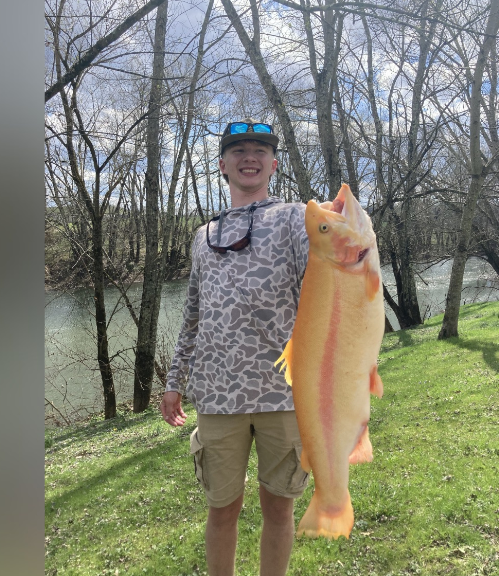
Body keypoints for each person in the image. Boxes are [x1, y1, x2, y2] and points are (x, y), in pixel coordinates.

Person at [161, 120, 309, 576]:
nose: (249, 157)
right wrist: (174, 381)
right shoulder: (202, 236)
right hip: (217, 397)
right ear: (223, 165)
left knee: (279, 509)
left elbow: (330, 281)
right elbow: (192, 315)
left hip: (284, 395)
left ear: (273, 164)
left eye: (260, 150)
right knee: (222, 510)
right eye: (238, 150)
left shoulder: (297, 219)